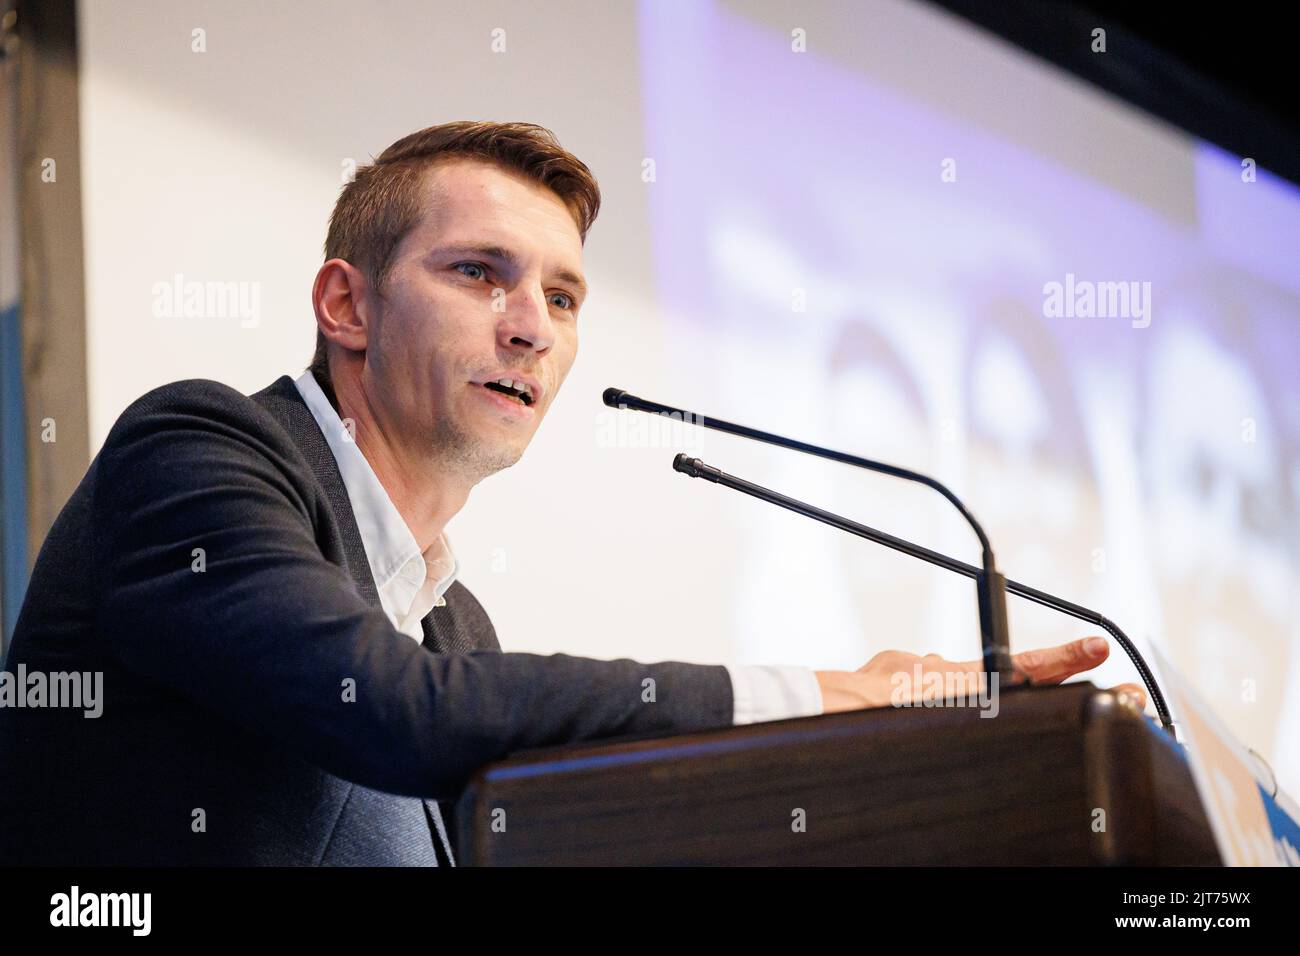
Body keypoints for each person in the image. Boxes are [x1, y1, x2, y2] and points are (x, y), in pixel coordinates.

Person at [0, 121, 1144, 865]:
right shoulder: (197, 451)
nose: (532, 325)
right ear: (346, 306)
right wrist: (830, 690)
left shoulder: (453, 617)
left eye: (563, 294)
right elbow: (394, 706)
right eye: (477, 272)